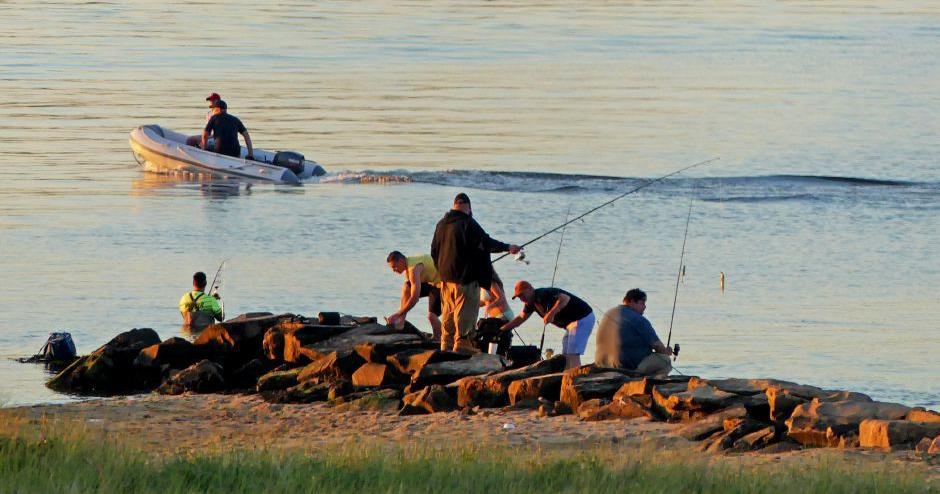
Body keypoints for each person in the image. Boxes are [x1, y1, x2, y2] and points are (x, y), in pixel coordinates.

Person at [430, 192, 520, 353]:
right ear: (469, 208)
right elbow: (486, 243)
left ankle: (446, 350)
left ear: (454, 205)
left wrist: (442, 271)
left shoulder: (441, 224)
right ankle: (460, 355)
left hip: (445, 280)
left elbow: (434, 252)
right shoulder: (468, 223)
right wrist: (508, 247)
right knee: (464, 322)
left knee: (448, 319)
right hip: (466, 281)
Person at [500, 280, 594, 369]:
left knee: (573, 351)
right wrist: (502, 329)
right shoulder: (530, 303)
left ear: (530, 289)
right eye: (519, 297)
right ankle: (567, 375)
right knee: (566, 352)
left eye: (522, 295)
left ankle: (575, 377)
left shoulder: (543, 293)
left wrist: (551, 313)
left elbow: (565, 298)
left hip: (583, 317)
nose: (521, 299)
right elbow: (521, 318)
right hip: (571, 324)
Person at [594, 288, 673, 377]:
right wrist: (666, 352)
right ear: (632, 302)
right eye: (642, 303)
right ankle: (647, 383)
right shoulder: (639, 320)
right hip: (625, 368)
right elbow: (657, 345)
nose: (645, 307)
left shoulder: (610, 312)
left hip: (602, 365)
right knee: (665, 360)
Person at [386, 251, 442, 339]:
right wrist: (400, 314)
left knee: (431, 317)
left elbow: (414, 297)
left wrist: (398, 313)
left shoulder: (413, 269)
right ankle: (401, 322)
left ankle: (440, 337)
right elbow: (410, 293)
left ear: (401, 261)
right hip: (432, 283)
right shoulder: (409, 266)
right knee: (406, 286)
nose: (394, 271)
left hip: (443, 285)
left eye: (394, 267)